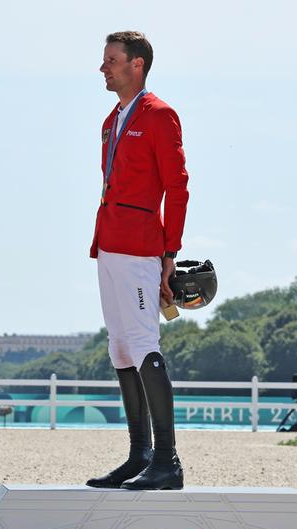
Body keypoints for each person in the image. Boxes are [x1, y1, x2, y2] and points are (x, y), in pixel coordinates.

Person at [86, 31, 189, 491]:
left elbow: (178, 187)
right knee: (121, 348)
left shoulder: (160, 115)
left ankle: (168, 461)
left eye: (111, 60)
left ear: (137, 65)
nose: (103, 68)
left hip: (142, 247)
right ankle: (139, 455)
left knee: (145, 343)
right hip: (108, 244)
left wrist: (170, 252)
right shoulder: (111, 120)